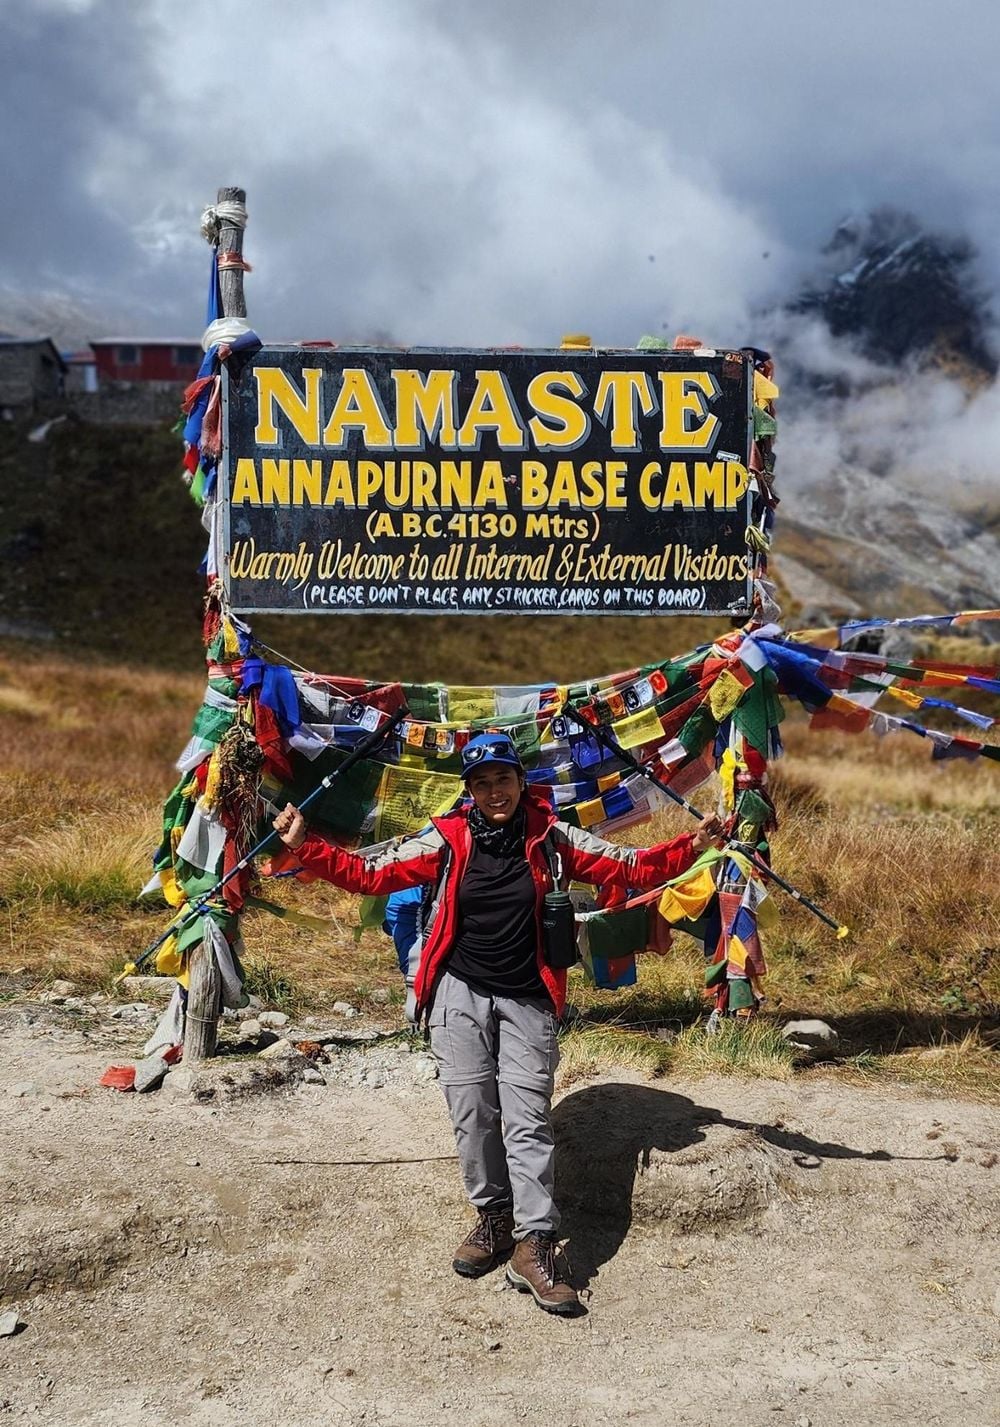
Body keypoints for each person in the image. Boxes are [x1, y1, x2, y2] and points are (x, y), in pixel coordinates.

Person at [273, 730, 722, 1317]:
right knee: (471, 1111)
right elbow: (369, 875)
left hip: (529, 995)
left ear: (519, 781)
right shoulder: (446, 838)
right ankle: (492, 1219)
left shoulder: (550, 836)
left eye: (503, 780)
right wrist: (307, 847)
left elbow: (632, 866)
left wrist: (695, 844)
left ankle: (534, 1245)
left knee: (527, 1119)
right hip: (457, 991)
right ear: (470, 791)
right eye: (482, 784)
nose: (494, 792)